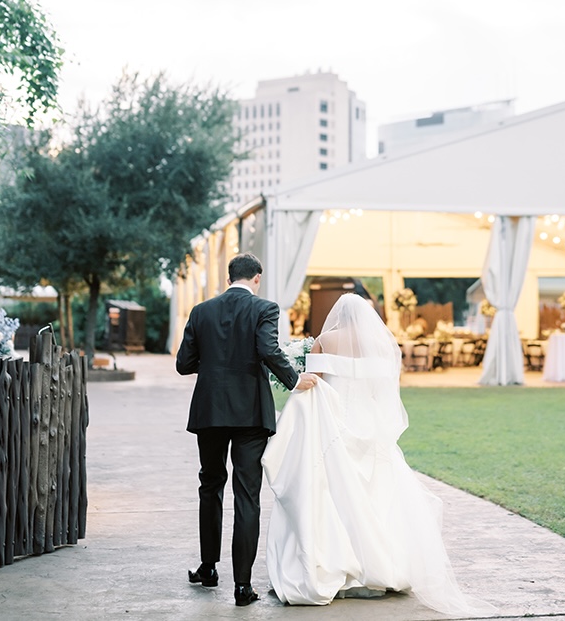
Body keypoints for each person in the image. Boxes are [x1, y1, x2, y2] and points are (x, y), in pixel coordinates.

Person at [262, 293, 492, 613]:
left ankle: (337, 564)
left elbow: (316, 385)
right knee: (377, 495)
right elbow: (378, 392)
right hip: (369, 426)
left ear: (337, 316)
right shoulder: (382, 348)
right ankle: (383, 566)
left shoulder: (325, 342)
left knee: (332, 495)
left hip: (334, 428)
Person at [176, 252, 317, 607]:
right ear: (257, 278)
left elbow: (183, 364)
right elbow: (267, 349)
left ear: (229, 279)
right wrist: (294, 379)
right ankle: (242, 586)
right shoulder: (265, 308)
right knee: (246, 495)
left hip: (209, 409)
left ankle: (208, 569)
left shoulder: (200, 311)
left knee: (210, 486)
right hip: (250, 414)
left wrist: (215, 366)